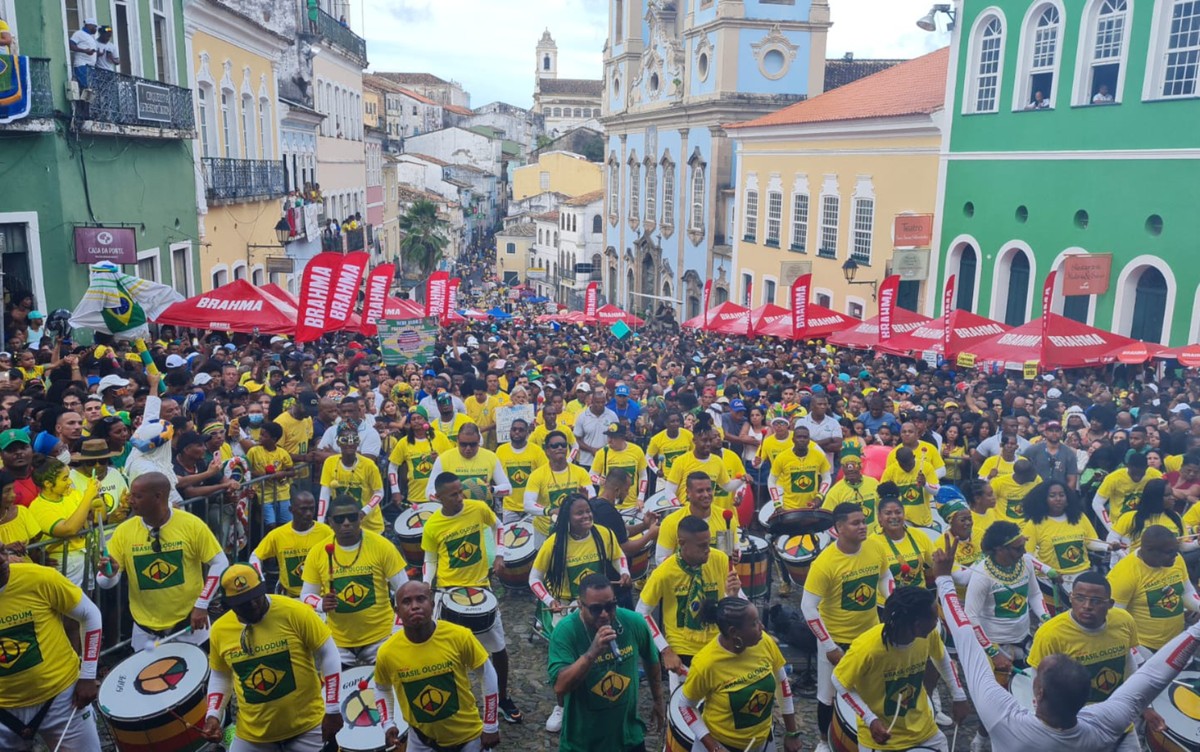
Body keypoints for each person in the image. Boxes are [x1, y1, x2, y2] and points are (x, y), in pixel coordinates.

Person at [932, 536, 1200, 751]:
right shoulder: (1107, 724)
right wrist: (1196, 631)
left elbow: (965, 636)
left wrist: (944, 580)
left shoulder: (1004, 719)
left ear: (1037, 693)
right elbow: (1155, 673)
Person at [203, 564, 344, 751]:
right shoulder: (220, 630)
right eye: (244, 603)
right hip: (252, 736)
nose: (253, 605)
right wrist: (213, 715)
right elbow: (221, 675)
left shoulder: (295, 611)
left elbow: (328, 652)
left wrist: (333, 709)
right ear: (228, 605)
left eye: (256, 597)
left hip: (308, 728)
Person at [421, 471, 521, 723]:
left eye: (460, 491)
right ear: (439, 497)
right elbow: (430, 559)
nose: (460, 497)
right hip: (448, 592)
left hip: (481, 588)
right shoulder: (432, 525)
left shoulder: (477, 508)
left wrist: (500, 555)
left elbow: (499, 527)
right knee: (449, 653)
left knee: (498, 649)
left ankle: (502, 697)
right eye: (453, 494)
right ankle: (458, 703)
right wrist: (426, 588)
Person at [530, 494, 630, 733]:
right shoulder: (555, 542)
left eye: (588, 511)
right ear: (568, 518)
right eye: (580, 513)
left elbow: (619, 557)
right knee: (568, 659)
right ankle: (562, 705)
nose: (587, 516)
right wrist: (550, 600)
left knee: (604, 654)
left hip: (598, 608)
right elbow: (534, 578)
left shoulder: (603, 534)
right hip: (568, 608)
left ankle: (606, 697)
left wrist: (623, 572)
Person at [98, 471, 228, 651]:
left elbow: (220, 562)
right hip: (145, 633)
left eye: (138, 496)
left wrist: (202, 604)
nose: (130, 501)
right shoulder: (123, 531)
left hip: (190, 628)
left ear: (158, 497)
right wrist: (109, 574)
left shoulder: (191, 524)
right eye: (131, 495)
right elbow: (105, 582)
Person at [800, 502, 892, 748]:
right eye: (856, 523)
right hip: (835, 640)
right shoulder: (825, 562)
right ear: (839, 527)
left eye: (864, 521)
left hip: (869, 636)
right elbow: (807, 607)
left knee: (870, 691)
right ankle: (823, 741)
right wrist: (829, 646)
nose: (863, 526)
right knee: (827, 696)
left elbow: (884, 576)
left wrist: (892, 599)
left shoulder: (875, 547)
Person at [833, 586, 969, 752]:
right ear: (918, 624)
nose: (938, 621)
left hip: (924, 730)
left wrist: (959, 695)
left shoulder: (928, 635)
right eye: (934, 617)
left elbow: (941, 657)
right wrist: (870, 719)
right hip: (882, 738)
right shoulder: (867, 648)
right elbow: (838, 681)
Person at [375, 580, 501, 752]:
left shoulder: (459, 636)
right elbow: (382, 688)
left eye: (421, 599)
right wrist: (387, 723)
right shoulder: (387, 652)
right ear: (396, 612)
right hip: (421, 741)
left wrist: (491, 725)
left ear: (433, 605)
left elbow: (487, 674)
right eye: (406, 602)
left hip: (468, 737)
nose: (415, 606)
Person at [549, 573, 663, 752]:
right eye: (596, 609)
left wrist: (658, 700)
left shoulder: (633, 622)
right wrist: (592, 653)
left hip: (628, 738)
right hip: (583, 743)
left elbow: (651, 659)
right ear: (580, 605)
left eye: (610, 606)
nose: (604, 614)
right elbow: (560, 686)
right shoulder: (566, 632)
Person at [0, 557, 103, 752]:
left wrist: (88, 675)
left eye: (1, 550)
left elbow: (90, 614)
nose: (1, 560)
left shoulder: (40, 578)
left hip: (63, 700)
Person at [680, 597, 803, 752]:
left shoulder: (765, 641)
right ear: (734, 632)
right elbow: (685, 706)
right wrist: (713, 747)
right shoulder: (705, 663)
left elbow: (782, 682)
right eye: (754, 624)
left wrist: (791, 732)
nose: (762, 626)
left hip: (763, 743)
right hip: (722, 745)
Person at [637, 514, 743, 691]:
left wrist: (733, 595)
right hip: (682, 652)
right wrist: (666, 650)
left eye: (709, 543)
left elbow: (731, 605)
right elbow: (641, 612)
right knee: (683, 713)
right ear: (682, 543)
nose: (707, 550)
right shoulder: (664, 572)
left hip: (717, 645)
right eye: (702, 546)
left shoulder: (721, 559)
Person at [300, 493, 407, 666]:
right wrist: (321, 604)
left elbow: (405, 590)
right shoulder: (317, 552)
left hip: (381, 639)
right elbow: (305, 595)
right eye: (340, 519)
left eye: (351, 517)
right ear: (330, 522)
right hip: (339, 644)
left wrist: (398, 630)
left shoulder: (382, 546)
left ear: (360, 517)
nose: (346, 523)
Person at [1028, 570, 1140, 706]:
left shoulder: (1124, 620)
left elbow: (1127, 659)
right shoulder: (1049, 634)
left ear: (1110, 604)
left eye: (1096, 601)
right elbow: (1038, 678)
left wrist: (1140, 702)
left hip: (1116, 711)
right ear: (1070, 597)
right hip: (1074, 717)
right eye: (1080, 598)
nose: (1087, 606)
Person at [1108, 524, 1199, 654]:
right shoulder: (1123, 573)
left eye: (1176, 550)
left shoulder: (1176, 560)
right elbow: (1115, 622)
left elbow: (1186, 592)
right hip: (1144, 647)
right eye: (1169, 552)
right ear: (1149, 550)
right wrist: (1138, 654)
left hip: (1177, 641)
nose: (1176, 555)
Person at [28, 455, 101, 584]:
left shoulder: (71, 494)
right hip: (62, 563)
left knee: (87, 601)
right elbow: (68, 529)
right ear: (48, 483)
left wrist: (95, 496)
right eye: (65, 479)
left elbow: (98, 515)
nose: (69, 483)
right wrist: (88, 496)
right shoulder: (38, 508)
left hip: (83, 557)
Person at [1022, 480, 1105, 593]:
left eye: (1062, 495)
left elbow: (1090, 542)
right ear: (1043, 500)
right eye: (1052, 496)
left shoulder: (1079, 517)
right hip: (1051, 581)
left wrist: (1109, 547)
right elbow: (1027, 556)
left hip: (1081, 577)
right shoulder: (1034, 523)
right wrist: (1048, 570)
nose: (1058, 499)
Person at [249, 490, 332, 597]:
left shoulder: (326, 532)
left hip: (318, 597)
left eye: (312, 509)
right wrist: (260, 578)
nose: (308, 513)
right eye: (303, 509)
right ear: (291, 510)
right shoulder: (278, 535)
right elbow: (255, 556)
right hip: (289, 596)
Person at [525, 429, 594, 544]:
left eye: (563, 445)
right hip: (545, 531)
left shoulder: (580, 472)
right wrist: (550, 511)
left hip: (574, 531)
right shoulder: (537, 475)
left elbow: (592, 496)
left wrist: (585, 500)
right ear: (547, 451)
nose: (560, 448)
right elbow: (528, 504)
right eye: (555, 446)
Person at [655, 472, 740, 563]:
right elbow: (660, 559)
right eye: (700, 491)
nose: (706, 495)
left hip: (718, 576)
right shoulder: (671, 522)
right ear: (688, 493)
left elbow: (730, 553)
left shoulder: (726, 517)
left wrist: (736, 557)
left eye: (709, 490)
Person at [424, 423, 511, 508]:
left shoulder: (491, 457)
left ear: (479, 440)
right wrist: (450, 497)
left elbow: (508, 489)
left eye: (473, 444)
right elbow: (429, 493)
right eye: (463, 444)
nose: (468, 448)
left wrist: (492, 490)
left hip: (482, 513)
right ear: (457, 440)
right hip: (455, 514)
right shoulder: (443, 459)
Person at [318, 426, 384, 534]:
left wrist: (364, 511)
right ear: (338, 443)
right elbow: (324, 494)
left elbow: (379, 492)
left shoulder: (369, 465)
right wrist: (321, 522)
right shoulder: (330, 463)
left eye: (354, 440)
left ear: (358, 443)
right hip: (342, 524)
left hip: (370, 525)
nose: (350, 444)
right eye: (345, 440)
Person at [387, 409, 451, 506]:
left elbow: (451, 461)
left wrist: (439, 459)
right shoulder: (404, 442)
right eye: (413, 419)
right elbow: (392, 467)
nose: (416, 421)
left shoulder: (440, 437)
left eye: (419, 418)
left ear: (426, 420)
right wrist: (395, 490)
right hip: (415, 498)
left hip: (439, 496)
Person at [766, 424, 832, 512]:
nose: (802, 440)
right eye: (799, 437)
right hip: (789, 509)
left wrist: (819, 497)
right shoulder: (782, 457)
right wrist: (777, 504)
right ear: (793, 440)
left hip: (811, 508)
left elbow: (827, 478)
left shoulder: (819, 456)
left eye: (805, 437)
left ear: (809, 440)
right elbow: (771, 481)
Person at [1093, 451, 1161, 532]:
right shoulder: (1113, 478)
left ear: (1146, 468)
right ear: (1127, 467)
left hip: (1144, 525)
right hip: (1119, 526)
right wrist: (1109, 526)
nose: (1137, 477)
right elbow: (1097, 503)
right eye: (1134, 473)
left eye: (1141, 474)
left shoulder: (1154, 474)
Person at [246, 421, 294, 529]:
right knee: (270, 525)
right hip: (264, 495)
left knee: (286, 524)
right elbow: (247, 470)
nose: (260, 437)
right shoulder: (253, 451)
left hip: (283, 494)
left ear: (274, 439)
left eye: (264, 435)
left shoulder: (282, 453)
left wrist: (283, 473)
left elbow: (292, 471)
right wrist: (263, 475)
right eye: (260, 434)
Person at [590, 421, 648, 509]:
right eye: (608, 436)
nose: (609, 440)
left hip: (631, 505)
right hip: (608, 505)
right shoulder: (602, 453)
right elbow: (591, 475)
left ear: (622, 438)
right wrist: (598, 481)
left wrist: (640, 498)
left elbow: (643, 476)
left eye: (613, 437)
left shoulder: (637, 451)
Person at [879, 446, 939, 527]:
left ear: (914, 457)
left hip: (923, 521)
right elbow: (882, 495)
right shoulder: (890, 471)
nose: (907, 467)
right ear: (897, 460)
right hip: (901, 521)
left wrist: (925, 484)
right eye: (903, 465)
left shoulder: (926, 467)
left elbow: (937, 491)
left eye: (909, 464)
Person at [822, 454, 881, 531]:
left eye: (854, 466)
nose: (851, 470)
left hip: (874, 536)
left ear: (860, 467)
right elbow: (826, 519)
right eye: (846, 467)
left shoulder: (873, 483)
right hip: (851, 540)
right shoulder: (835, 491)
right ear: (842, 469)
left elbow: (882, 508)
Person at [1022, 420, 1079, 488]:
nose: (1054, 433)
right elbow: (1022, 471)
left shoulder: (1069, 453)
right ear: (1045, 433)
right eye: (1051, 431)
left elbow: (1072, 479)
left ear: (1061, 433)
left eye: (1057, 431)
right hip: (1036, 492)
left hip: (1059, 493)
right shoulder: (1032, 450)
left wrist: (1068, 496)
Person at [69, 17, 98, 88]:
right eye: (95, 26)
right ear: (89, 25)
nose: (96, 29)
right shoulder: (79, 33)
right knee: (85, 87)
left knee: (91, 88)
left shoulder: (90, 37)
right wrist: (85, 51)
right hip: (82, 65)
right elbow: (71, 45)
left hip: (90, 67)